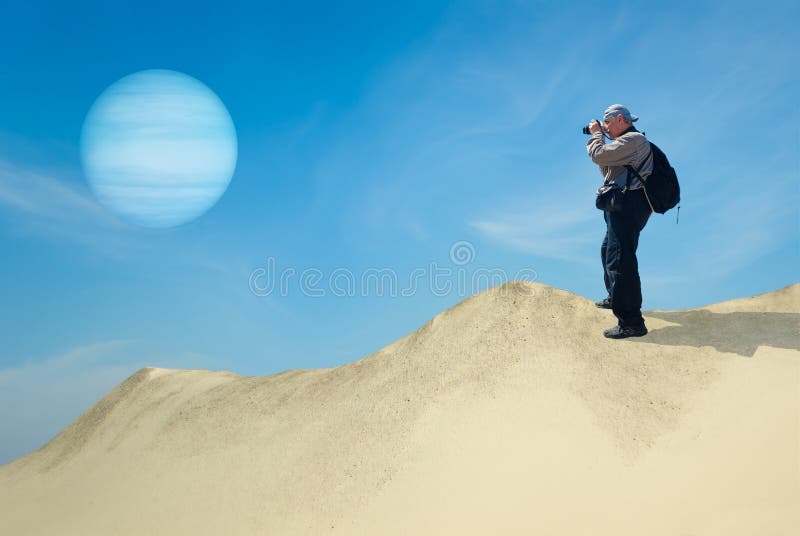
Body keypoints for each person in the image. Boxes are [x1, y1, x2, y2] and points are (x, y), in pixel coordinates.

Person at [587, 104, 653, 339]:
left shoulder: (633, 140)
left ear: (620, 120)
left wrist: (597, 137)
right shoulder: (624, 143)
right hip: (620, 205)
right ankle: (615, 298)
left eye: (607, 123)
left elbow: (598, 155)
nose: (604, 127)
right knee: (608, 251)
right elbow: (606, 168)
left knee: (621, 260)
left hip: (629, 206)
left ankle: (632, 322)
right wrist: (604, 140)